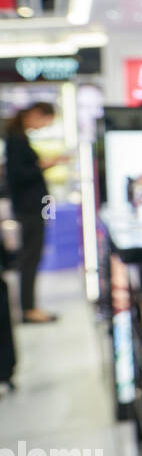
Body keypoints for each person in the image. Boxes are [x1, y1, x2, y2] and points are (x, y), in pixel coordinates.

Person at [4, 102, 64, 323]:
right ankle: (28, 309)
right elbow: (19, 175)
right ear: (36, 114)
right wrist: (44, 165)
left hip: (31, 206)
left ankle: (29, 307)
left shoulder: (18, 138)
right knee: (30, 257)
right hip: (29, 208)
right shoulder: (16, 140)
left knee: (31, 257)